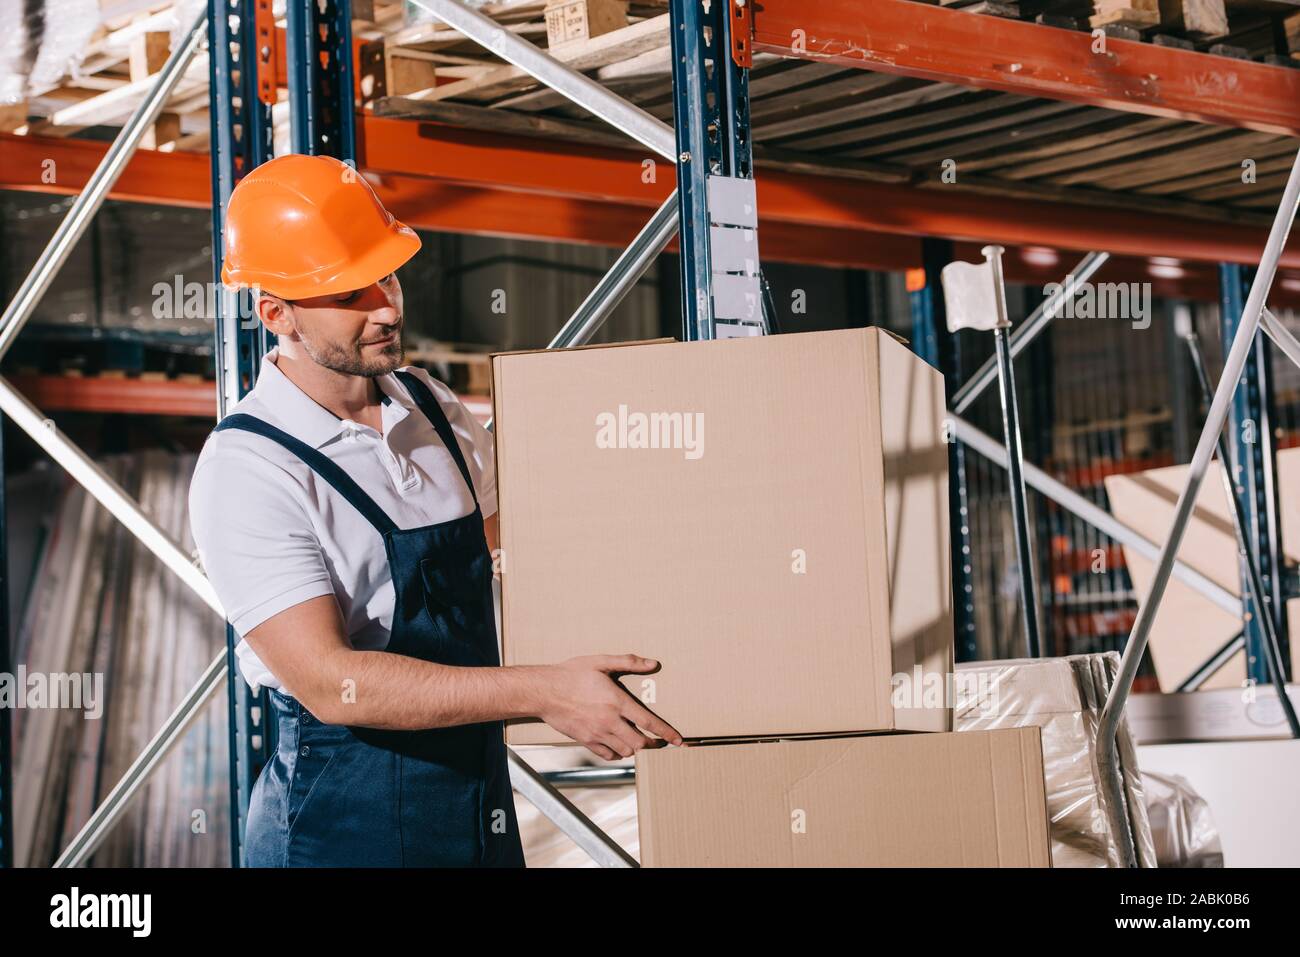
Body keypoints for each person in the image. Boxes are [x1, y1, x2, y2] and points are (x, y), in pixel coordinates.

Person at [189, 154, 682, 867]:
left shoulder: (435, 408)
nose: (389, 306)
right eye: (352, 292)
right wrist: (546, 691)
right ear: (277, 314)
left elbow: (507, 562)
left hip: (473, 804)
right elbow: (332, 682)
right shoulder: (250, 468)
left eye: (387, 275)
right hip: (341, 827)